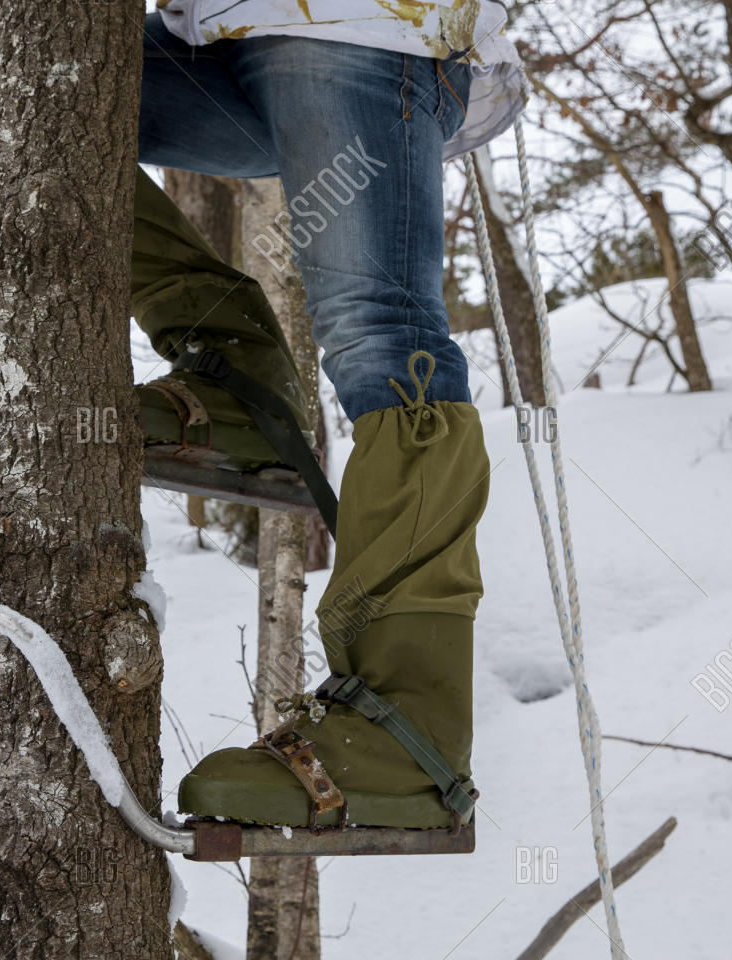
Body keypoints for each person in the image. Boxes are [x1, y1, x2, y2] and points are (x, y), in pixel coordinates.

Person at [133, 2, 526, 831]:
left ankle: (407, 731)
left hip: (360, 24)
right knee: (6, 108)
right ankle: (233, 382)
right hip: (213, 36)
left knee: (380, 327)